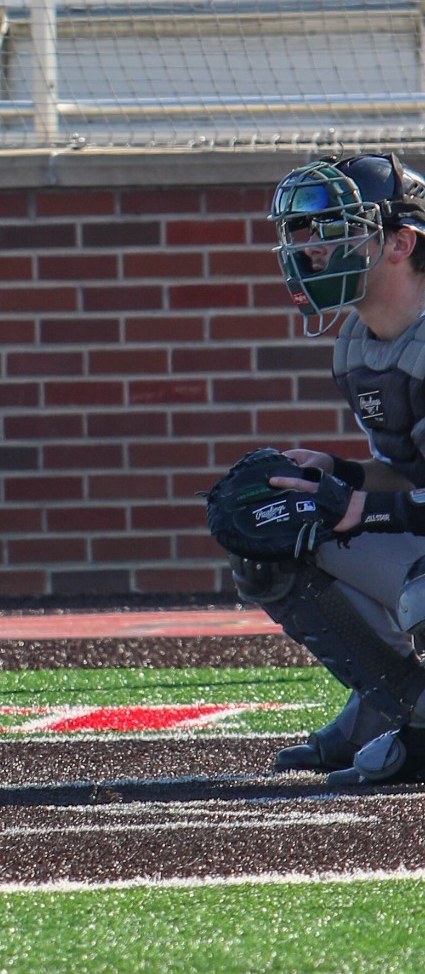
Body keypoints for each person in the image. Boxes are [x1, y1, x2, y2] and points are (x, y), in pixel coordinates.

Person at [235, 153, 425, 785]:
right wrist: (345, 474)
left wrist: (364, 508)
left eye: (331, 226)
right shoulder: (356, 346)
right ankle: (395, 705)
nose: (306, 246)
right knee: (274, 533)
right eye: (298, 230)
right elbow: (412, 473)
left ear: (400, 241)